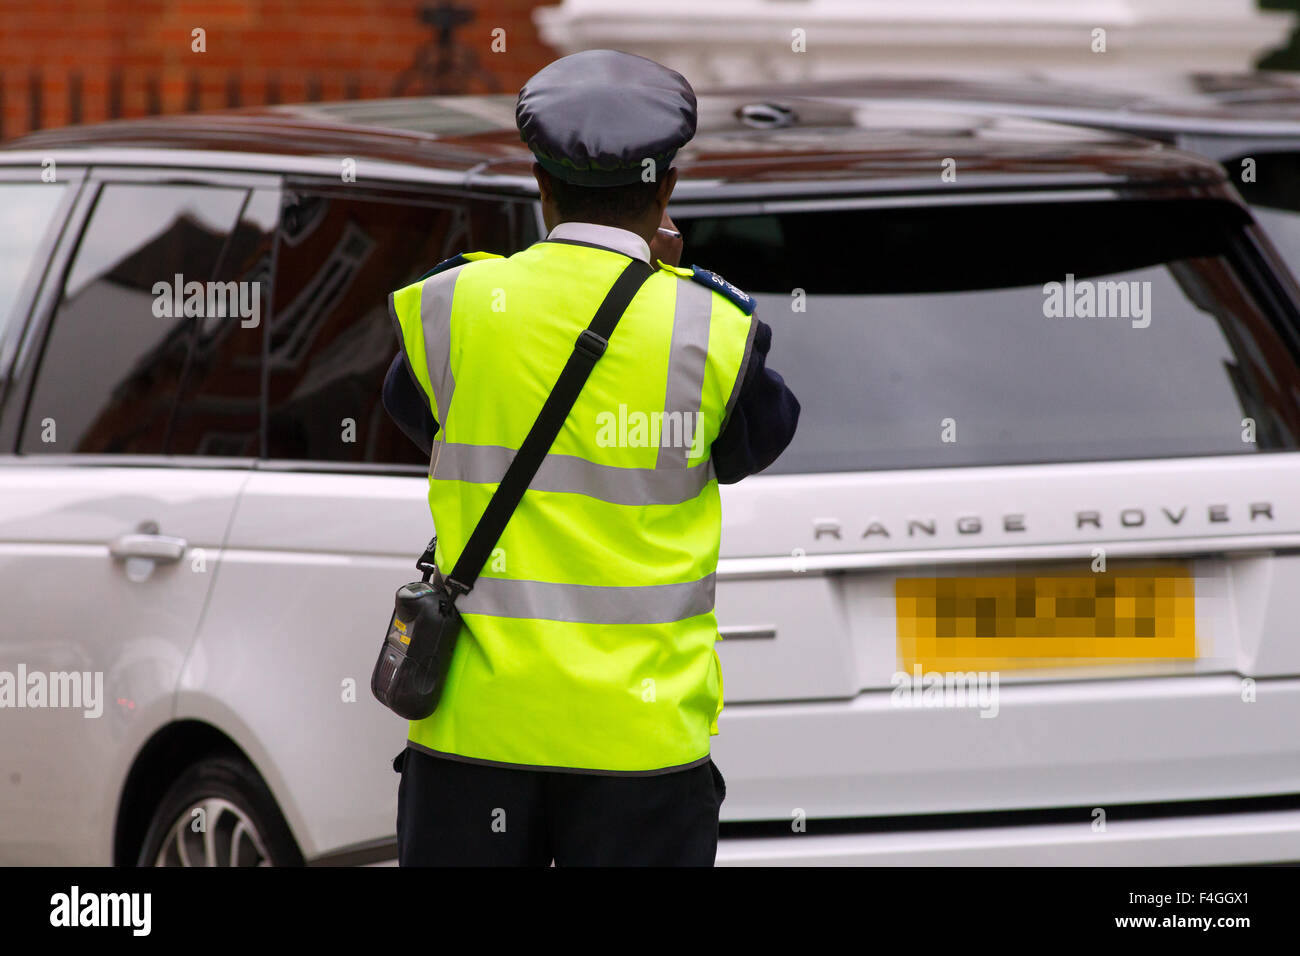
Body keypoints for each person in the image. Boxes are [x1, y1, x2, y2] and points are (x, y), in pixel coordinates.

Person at [381, 49, 799, 866]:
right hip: (638, 747)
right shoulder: (710, 329)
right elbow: (762, 437)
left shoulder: (457, 305)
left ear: (540, 184)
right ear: (667, 189)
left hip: (476, 732)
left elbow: (411, 412)